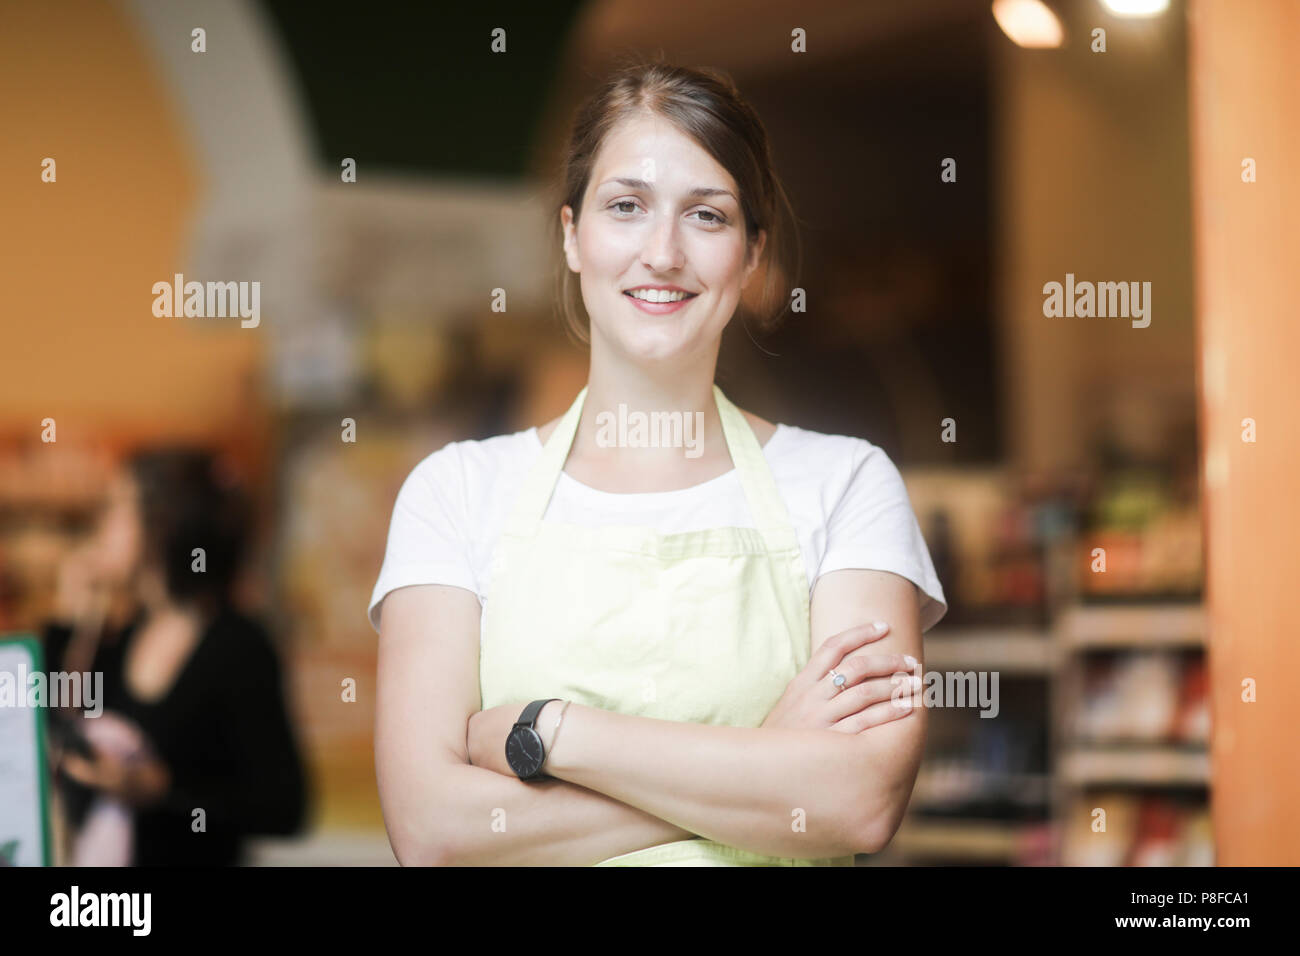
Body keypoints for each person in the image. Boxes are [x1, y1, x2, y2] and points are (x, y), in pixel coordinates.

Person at [370, 60, 947, 866]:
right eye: (626, 207)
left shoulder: (846, 484)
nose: (663, 252)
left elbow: (858, 801)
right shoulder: (455, 493)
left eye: (707, 216)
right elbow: (433, 832)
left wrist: (551, 733)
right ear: (572, 235)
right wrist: (769, 763)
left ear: (752, 254)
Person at [43, 447, 308, 866]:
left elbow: (284, 807)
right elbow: (55, 730)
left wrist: (162, 791)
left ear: (161, 523)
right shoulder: (121, 636)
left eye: (116, 508)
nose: (102, 525)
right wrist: (71, 618)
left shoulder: (239, 646)